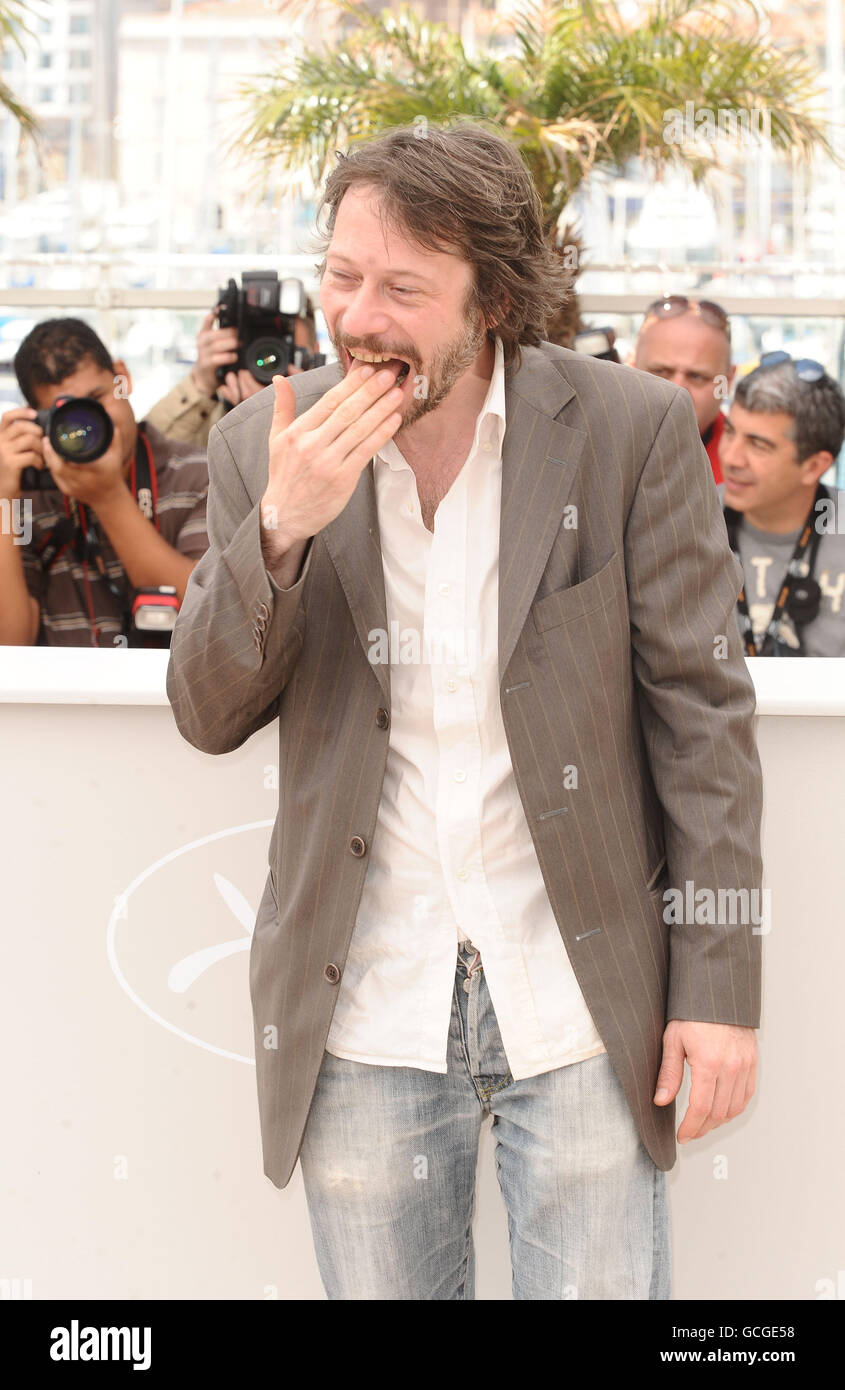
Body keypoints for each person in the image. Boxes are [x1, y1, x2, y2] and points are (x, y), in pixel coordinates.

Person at [166, 121, 764, 1301]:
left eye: (402, 288)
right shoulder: (258, 448)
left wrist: (717, 991)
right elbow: (205, 710)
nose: (360, 318)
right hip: (363, 1006)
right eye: (341, 276)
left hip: (579, 1006)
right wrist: (280, 530)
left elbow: (702, 722)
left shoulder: (627, 431)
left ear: (489, 297)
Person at [0, 318, 209, 647]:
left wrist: (108, 498)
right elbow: (10, 643)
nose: (89, 426)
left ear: (122, 379)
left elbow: (209, 614)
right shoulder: (27, 499)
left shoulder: (199, 474)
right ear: (39, 420)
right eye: (69, 415)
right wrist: (4, 502)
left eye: (96, 399)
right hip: (59, 697)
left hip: (169, 697)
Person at [718, 352, 845, 656]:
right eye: (730, 432)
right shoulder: (683, 521)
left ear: (814, 466)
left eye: (758, 445)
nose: (731, 458)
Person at [145, 296, 321, 448]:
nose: (269, 363)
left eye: (284, 351)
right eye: (258, 347)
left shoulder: (330, 412)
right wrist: (201, 384)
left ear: (314, 352)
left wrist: (296, 410)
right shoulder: (213, 420)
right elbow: (148, 456)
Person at [633, 295, 735, 484]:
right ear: (630, 367)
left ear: (727, 381)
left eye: (697, 377)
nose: (676, 392)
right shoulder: (589, 447)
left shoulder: (750, 478)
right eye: (661, 372)